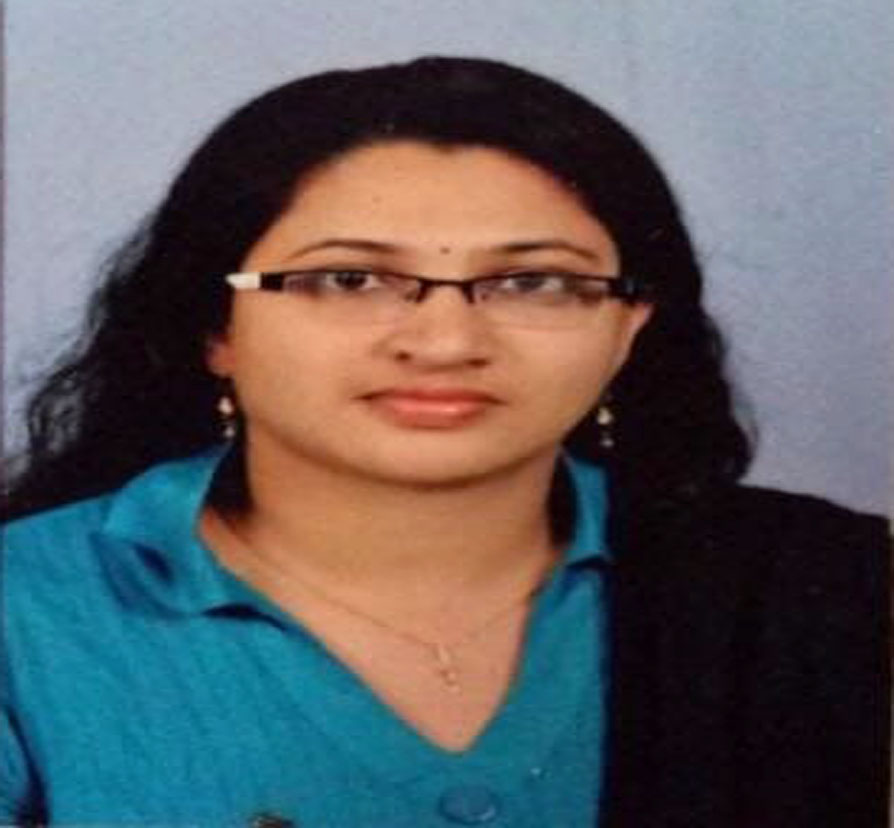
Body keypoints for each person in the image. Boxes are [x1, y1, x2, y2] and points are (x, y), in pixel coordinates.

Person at [1, 56, 889, 827]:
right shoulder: (24, 615)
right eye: (350, 278)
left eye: (534, 282)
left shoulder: (829, 588)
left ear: (628, 328)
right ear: (213, 325)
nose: (445, 341)